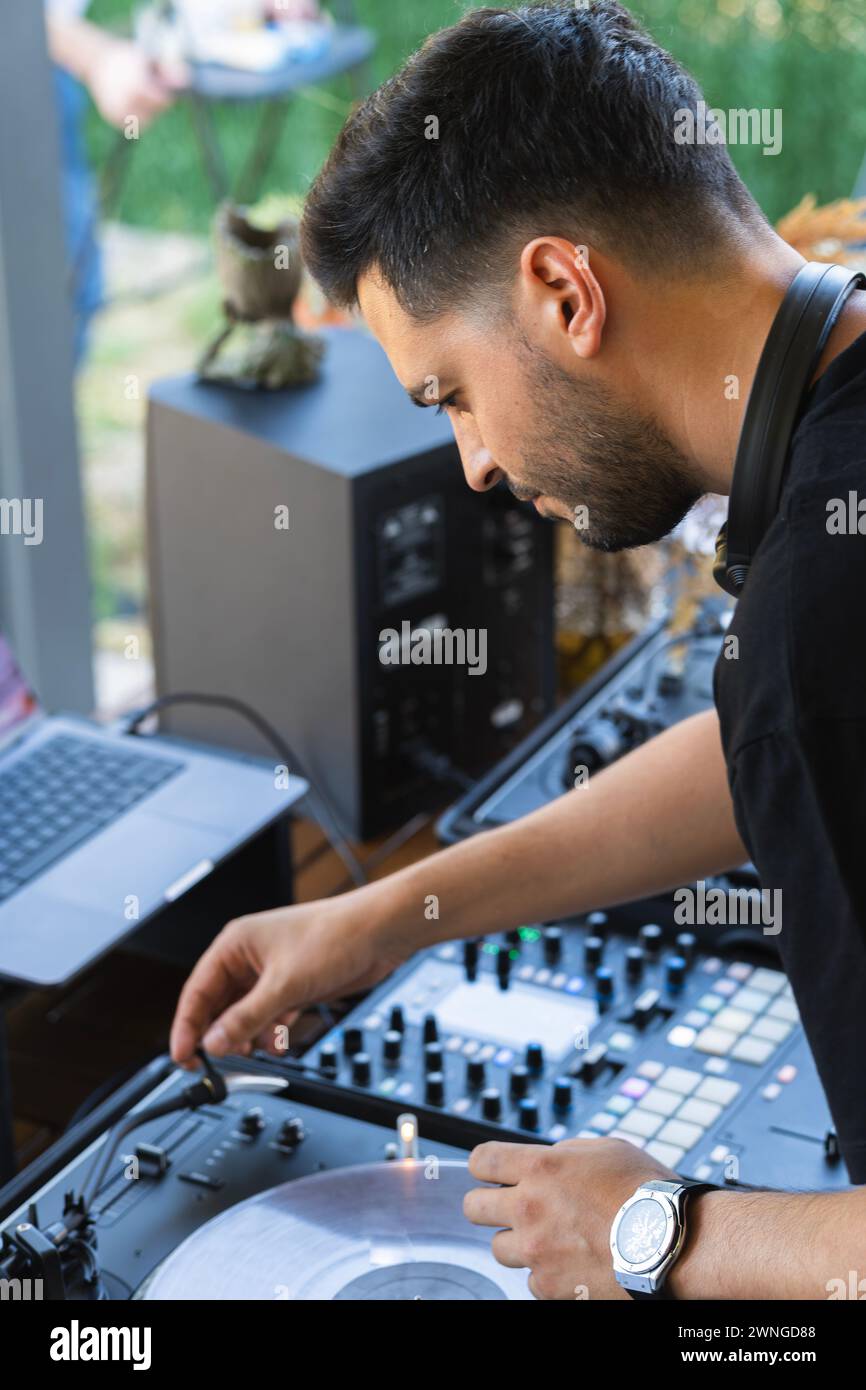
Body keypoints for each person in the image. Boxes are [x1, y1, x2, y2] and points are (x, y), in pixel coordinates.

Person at [169, 2, 866, 1299]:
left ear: (561, 292)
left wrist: (659, 1232)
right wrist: (385, 913)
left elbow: (795, 710)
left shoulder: (824, 616)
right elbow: (754, 755)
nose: (476, 464)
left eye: (449, 394)